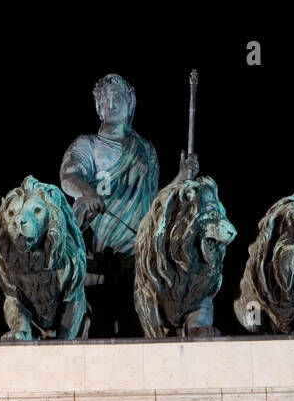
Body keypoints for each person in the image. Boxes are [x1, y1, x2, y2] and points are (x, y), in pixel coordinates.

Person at [60, 72, 197, 334]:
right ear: (98, 108)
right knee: (96, 330)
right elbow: (68, 176)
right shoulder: (88, 145)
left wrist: (181, 178)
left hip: (139, 258)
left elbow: (153, 206)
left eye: (118, 98)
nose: (112, 104)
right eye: (105, 99)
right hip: (97, 260)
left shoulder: (145, 150)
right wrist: (87, 192)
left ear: (130, 103)